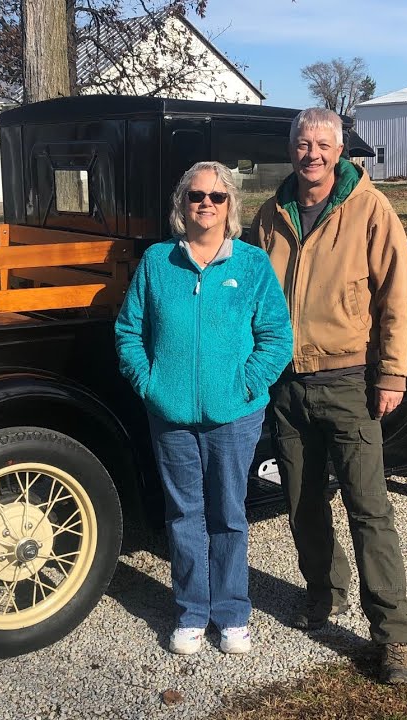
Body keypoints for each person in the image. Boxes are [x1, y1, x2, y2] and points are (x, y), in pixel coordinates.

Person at [248, 108, 407, 684]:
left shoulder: (370, 208)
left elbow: (397, 293)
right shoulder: (271, 214)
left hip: (348, 382)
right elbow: (249, 291)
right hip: (287, 384)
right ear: (291, 148)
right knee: (301, 500)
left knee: (368, 508)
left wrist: (392, 374)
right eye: (303, 143)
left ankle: (394, 636)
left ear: (340, 150)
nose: (312, 153)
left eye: (323, 144)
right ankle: (324, 591)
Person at [115, 161, 293, 656]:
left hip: (235, 415)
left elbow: (277, 339)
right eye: (196, 196)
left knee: (229, 514)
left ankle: (233, 613)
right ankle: (192, 612)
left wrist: (244, 384)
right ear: (182, 204)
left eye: (217, 196)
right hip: (169, 415)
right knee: (184, 515)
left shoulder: (251, 265)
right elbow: (129, 332)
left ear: (230, 204)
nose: (206, 204)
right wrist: (151, 386)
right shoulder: (157, 263)